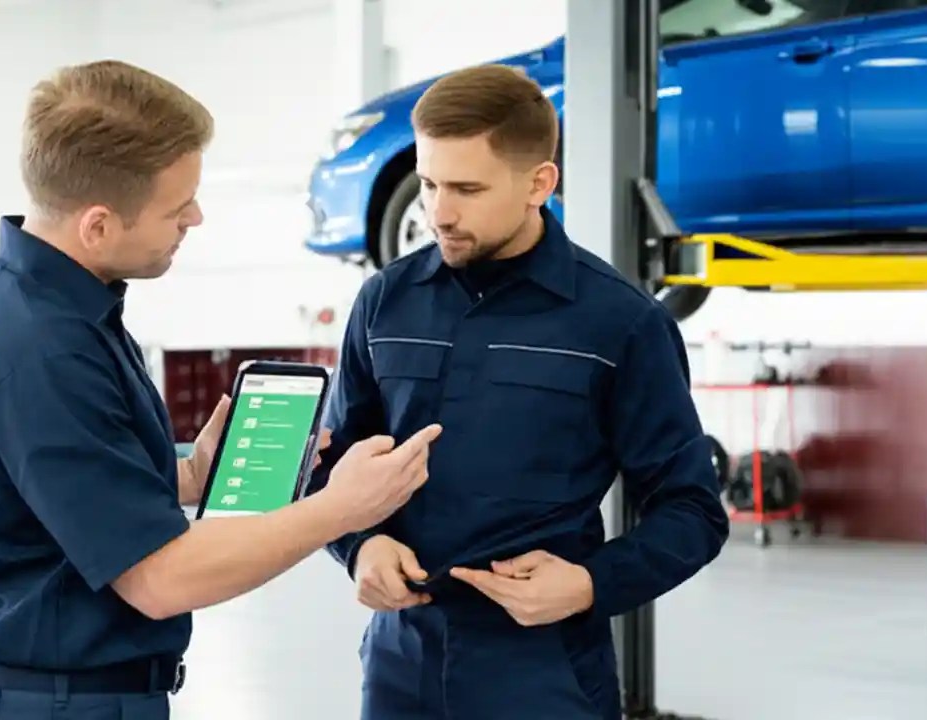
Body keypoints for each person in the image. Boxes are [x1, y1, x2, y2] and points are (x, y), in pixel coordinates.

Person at [0, 59, 443, 720]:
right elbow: (161, 579)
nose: (195, 218)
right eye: (177, 207)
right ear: (98, 225)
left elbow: (60, 494)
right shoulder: (37, 349)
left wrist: (189, 475)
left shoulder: (62, 305)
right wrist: (341, 508)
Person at [306, 65, 730, 719]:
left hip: (543, 669)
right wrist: (357, 546)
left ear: (540, 183)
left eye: (467, 189)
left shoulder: (619, 322)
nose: (438, 213)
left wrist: (591, 583)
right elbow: (331, 463)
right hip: (398, 664)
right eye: (428, 183)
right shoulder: (383, 302)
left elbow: (693, 511)